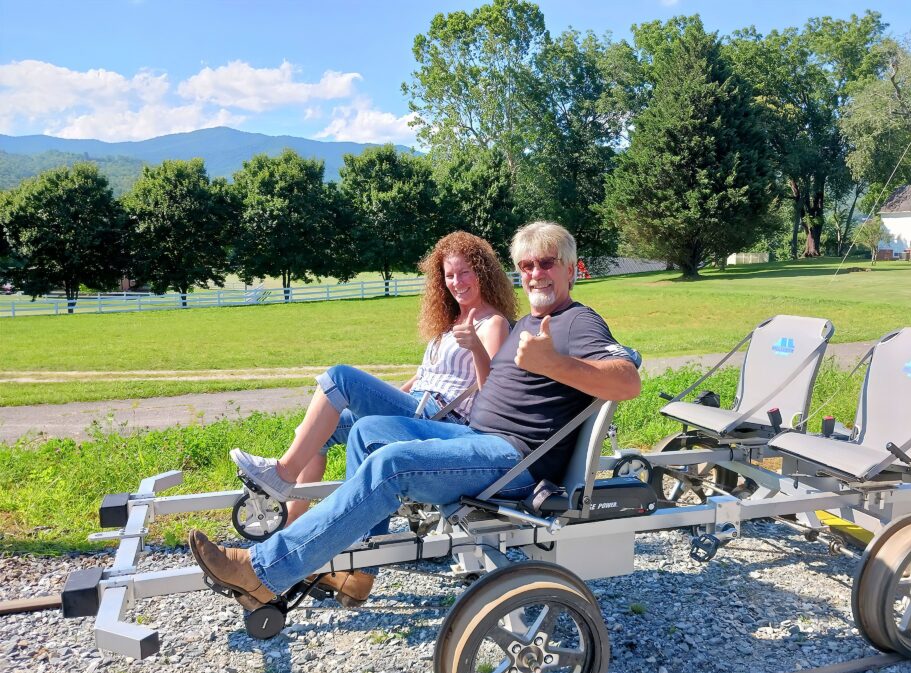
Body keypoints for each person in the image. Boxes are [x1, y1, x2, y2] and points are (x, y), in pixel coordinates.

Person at [189, 221, 642, 610]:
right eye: (526, 265)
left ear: (570, 269)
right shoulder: (528, 322)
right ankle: (359, 569)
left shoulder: (578, 321)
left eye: (546, 263)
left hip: (514, 460)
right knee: (366, 432)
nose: (535, 274)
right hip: (477, 438)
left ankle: (264, 571)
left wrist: (555, 364)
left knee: (393, 465)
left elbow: (627, 380)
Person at [232, 230, 518, 526]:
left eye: (464, 272)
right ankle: (291, 522)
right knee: (315, 429)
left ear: (482, 272)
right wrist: (388, 398)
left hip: (442, 419)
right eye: (449, 275)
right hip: (416, 405)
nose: (457, 282)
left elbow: (493, 394)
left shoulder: (493, 323)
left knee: (340, 378)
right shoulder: (450, 321)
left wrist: (476, 348)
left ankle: (282, 474)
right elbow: (424, 376)